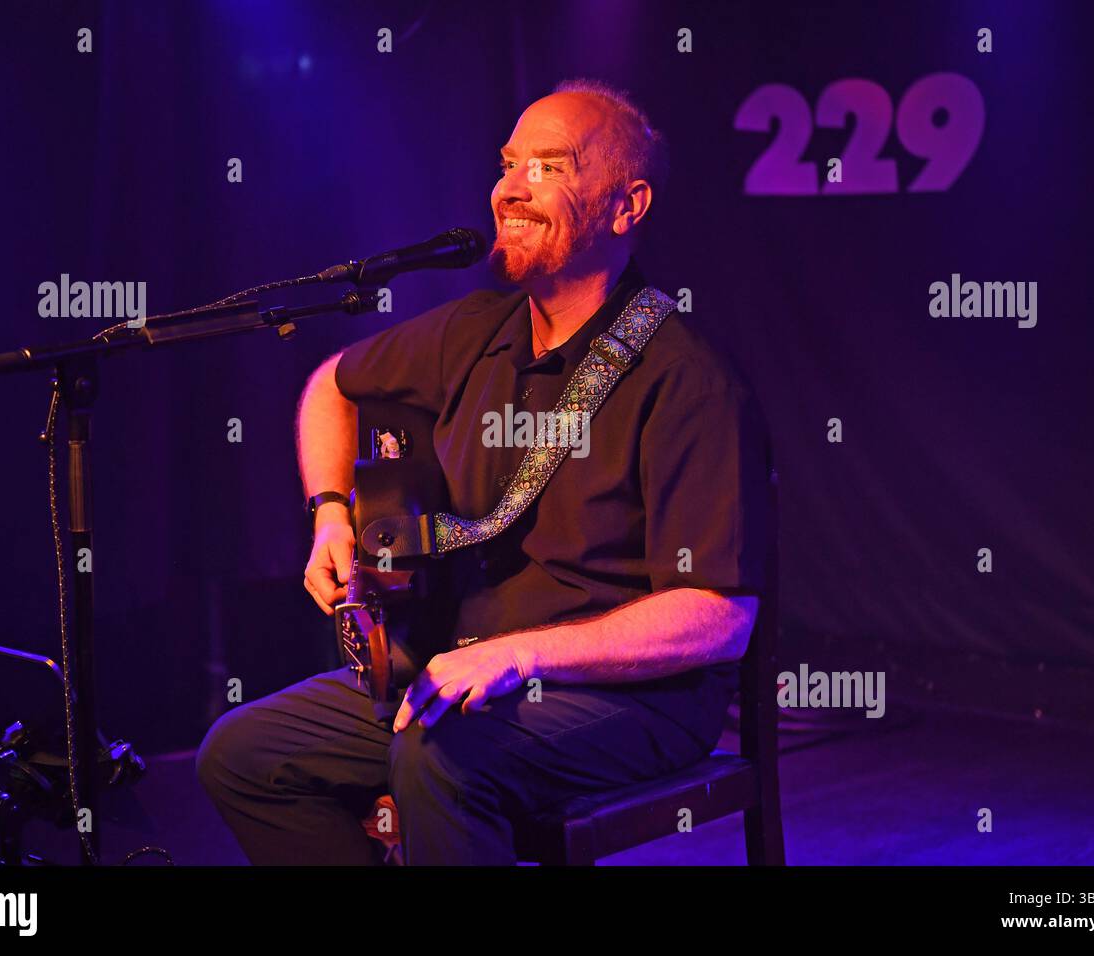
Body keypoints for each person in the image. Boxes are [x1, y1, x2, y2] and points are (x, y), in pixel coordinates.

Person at [196, 78, 771, 865]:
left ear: (626, 205)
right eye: (507, 165)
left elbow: (718, 616)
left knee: (439, 760)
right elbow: (331, 385)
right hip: (465, 670)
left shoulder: (687, 379)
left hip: (627, 701)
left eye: (549, 167)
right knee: (244, 752)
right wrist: (329, 510)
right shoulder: (475, 330)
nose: (509, 188)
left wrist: (522, 654)